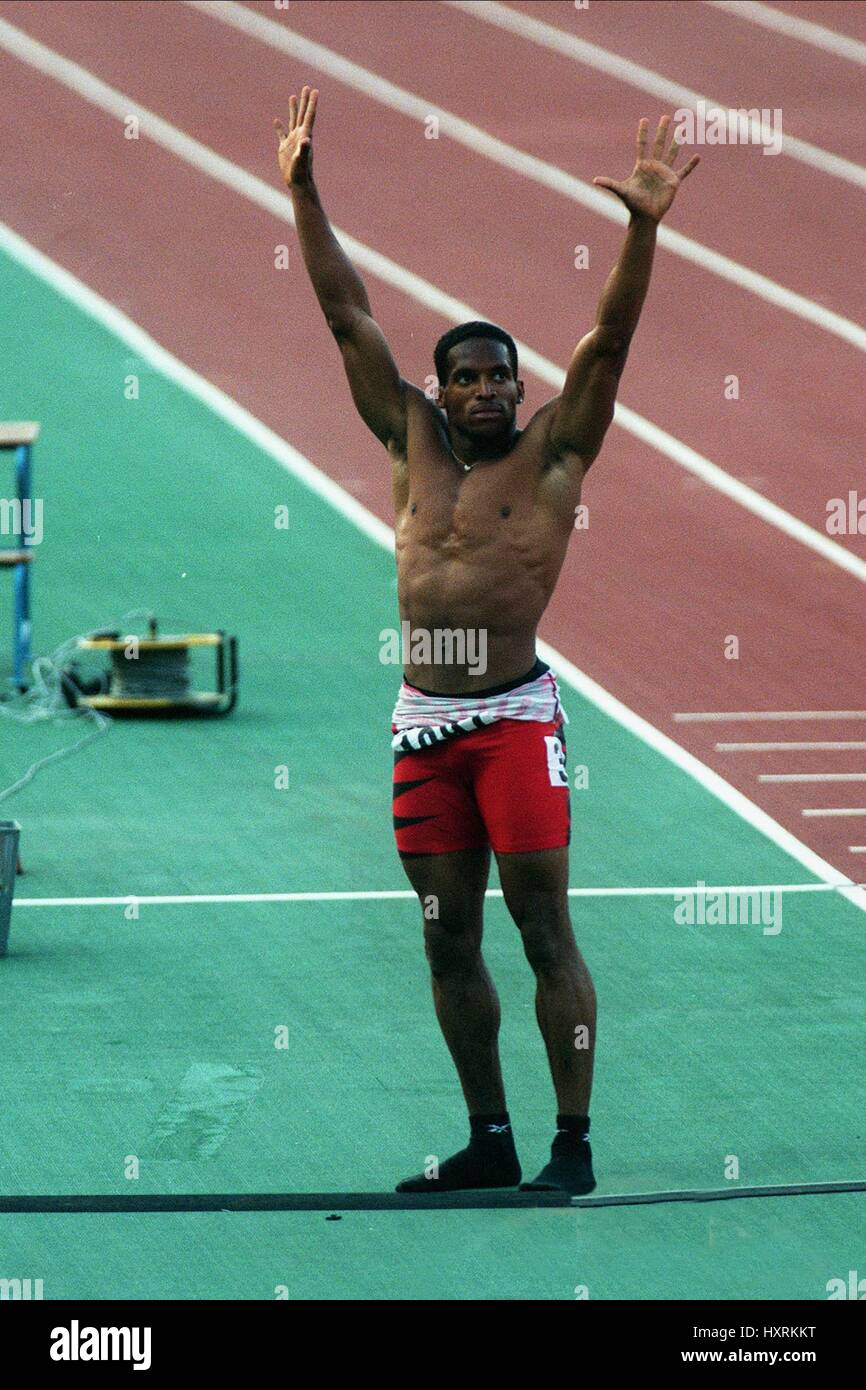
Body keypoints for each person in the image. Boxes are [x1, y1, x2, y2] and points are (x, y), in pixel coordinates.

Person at [275, 88, 699, 1195]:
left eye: (496, 374)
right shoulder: (407, 437)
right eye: (460, 375)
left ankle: (570, 1146)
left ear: (518, 385)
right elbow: (344, 317)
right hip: (422, 729)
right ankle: (488, 1136)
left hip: (511, 723)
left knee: (541, 930)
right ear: (440, 386)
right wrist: (303, 193)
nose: (478, 390)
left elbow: (607, 342)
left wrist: (640, 230)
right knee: (444, 939)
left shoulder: (557, 454)